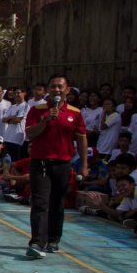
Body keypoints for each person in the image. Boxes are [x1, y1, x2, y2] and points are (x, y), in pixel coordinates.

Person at [23, 74, 88, 258]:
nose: (56, 90)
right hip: (40, 163)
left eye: (60, 87)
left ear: (67, 90)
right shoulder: (37, 110)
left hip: (63, 164)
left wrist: (84, 164)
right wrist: (45, 120)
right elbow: (29, 134)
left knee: (57, 204)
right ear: (48, 89)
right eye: (53, 86)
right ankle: (37, 242)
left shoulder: (75, 113)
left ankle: (53, 239)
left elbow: (81, 139)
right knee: (40, 202)